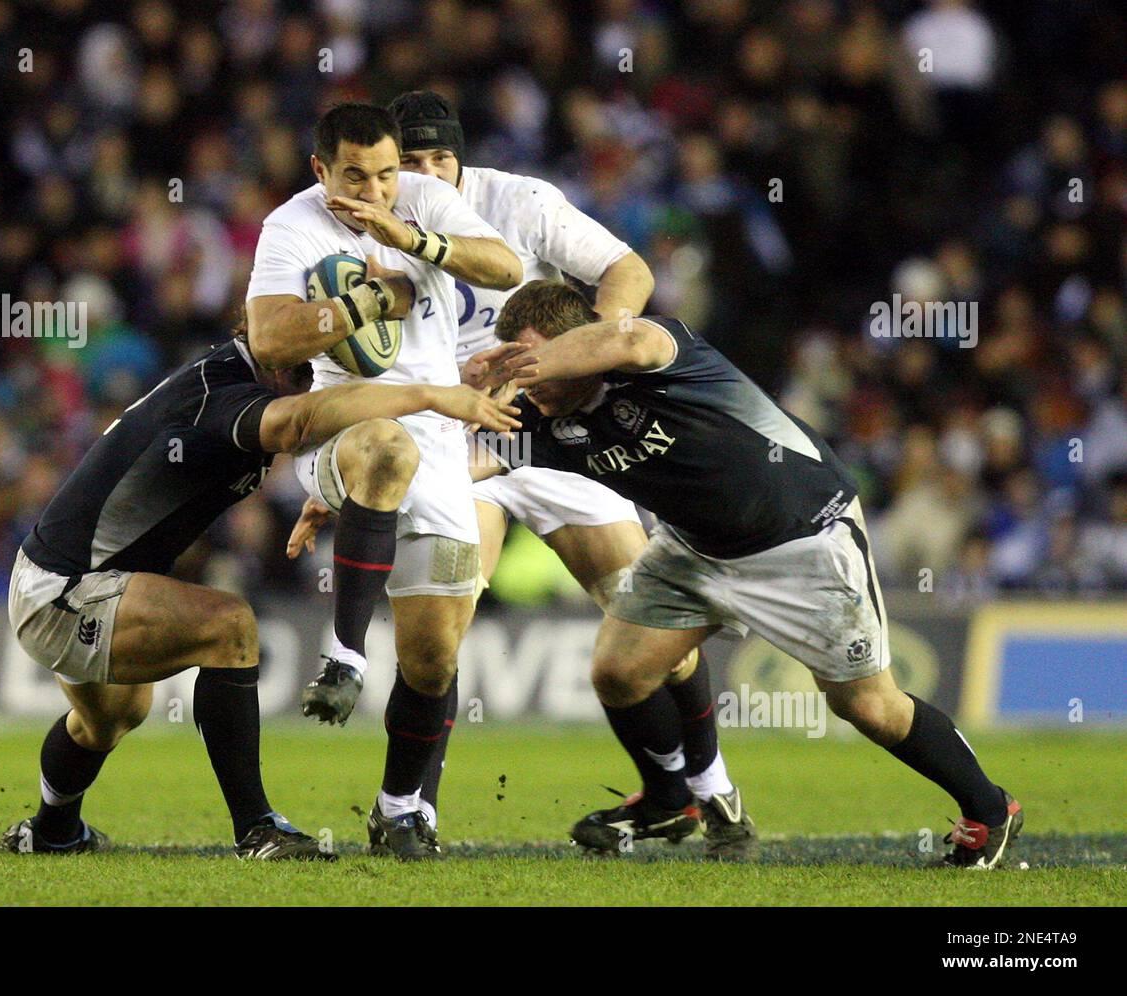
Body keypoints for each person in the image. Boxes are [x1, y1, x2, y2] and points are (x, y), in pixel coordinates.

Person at [292, 91, 757, 858]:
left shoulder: (519, 202)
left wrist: (577, 359)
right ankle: (407, 808)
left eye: (439, 159)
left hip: (546, 425)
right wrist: (333, 484)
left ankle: (705, 790)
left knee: (649, 611)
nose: (423, 175)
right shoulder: (359, 227)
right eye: (408, 165)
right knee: (435, 639)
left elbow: (627, 271)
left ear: (461, 160)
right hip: (448, 436)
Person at [467, 279, 1022, 868]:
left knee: (869, 708)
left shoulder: (663, 355)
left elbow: (626, 335)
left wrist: (511, 366)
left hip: (803, 539)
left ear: (578, 342)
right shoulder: (534, 420)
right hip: (694, 550)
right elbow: (467, 464)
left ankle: (990, 809)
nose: (525, 378)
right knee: (619, 672)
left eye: (531, 360)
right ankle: (669, 799)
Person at [3, 328, 519, 860]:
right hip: (65, 589)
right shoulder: (222, 389)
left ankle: (51, 830)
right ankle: (257, 827)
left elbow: (340, 419)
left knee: (109, 717)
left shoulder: (241, 380)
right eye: (317, 362)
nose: (324, 373)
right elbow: (304, 421)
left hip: (79, 581)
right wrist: (434, 393)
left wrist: (460, 382)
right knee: (230, 628)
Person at [244, 102, 521, 859]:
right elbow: (269, 338)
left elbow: (507, 268)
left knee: (434, 656)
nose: (374, 189)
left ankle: (401, 809)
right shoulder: (292, 226)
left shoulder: (424, 200)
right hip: (342, 424)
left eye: (387, 173)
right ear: (321, 171)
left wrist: (409, 237)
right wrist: (367, 298)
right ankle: (348, 653)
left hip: (438, 433)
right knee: (385, 449)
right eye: (356, 175)